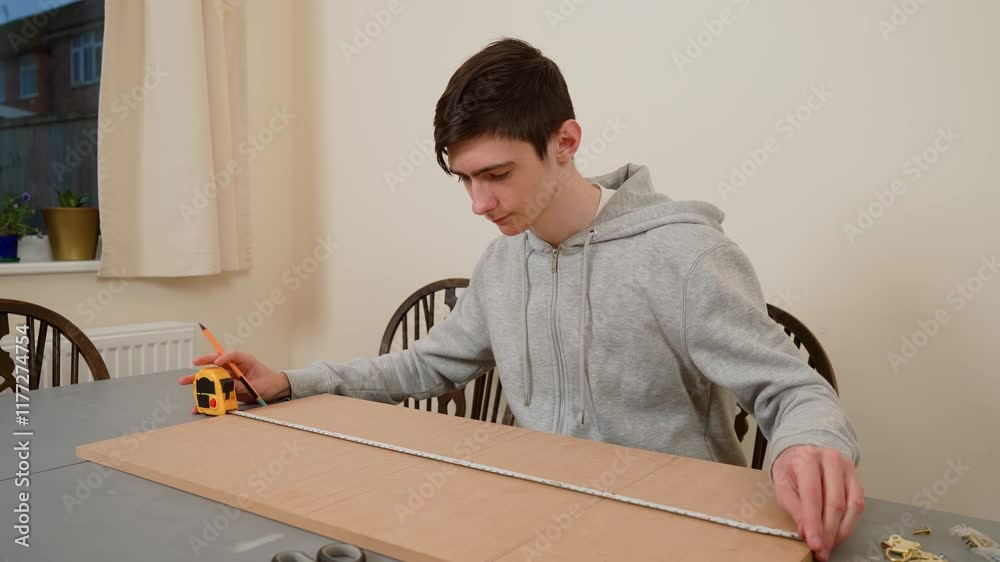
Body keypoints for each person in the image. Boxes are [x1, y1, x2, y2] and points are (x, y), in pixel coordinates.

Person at [180, 37, 862, 561]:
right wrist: (290, 381)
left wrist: (806, 445)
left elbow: (795, 395)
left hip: (670, 531)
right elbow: (425, 366)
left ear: (566, 142)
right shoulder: (505, 260)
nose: (479, 203)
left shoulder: (683, 257)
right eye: (464, 181)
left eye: (497, 175)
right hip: (536, 522)